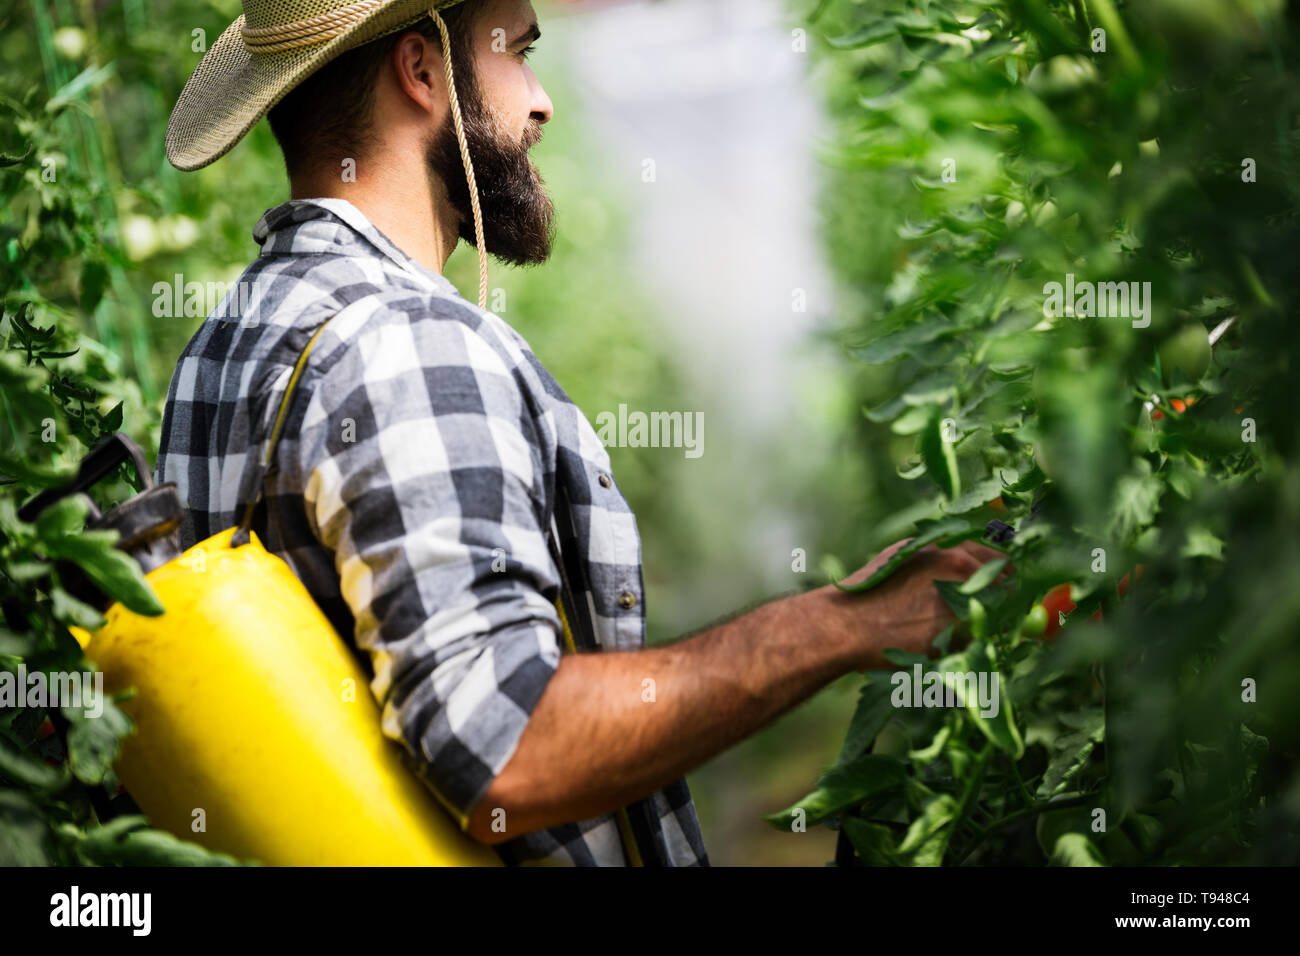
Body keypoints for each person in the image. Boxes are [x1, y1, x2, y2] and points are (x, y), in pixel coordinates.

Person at [157, 0, 1002, 865]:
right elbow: (508, 744)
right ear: (422, 72)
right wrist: (844, 626)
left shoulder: (221, 347)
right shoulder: (406, 342)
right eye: (518, 54)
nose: (542, 101)